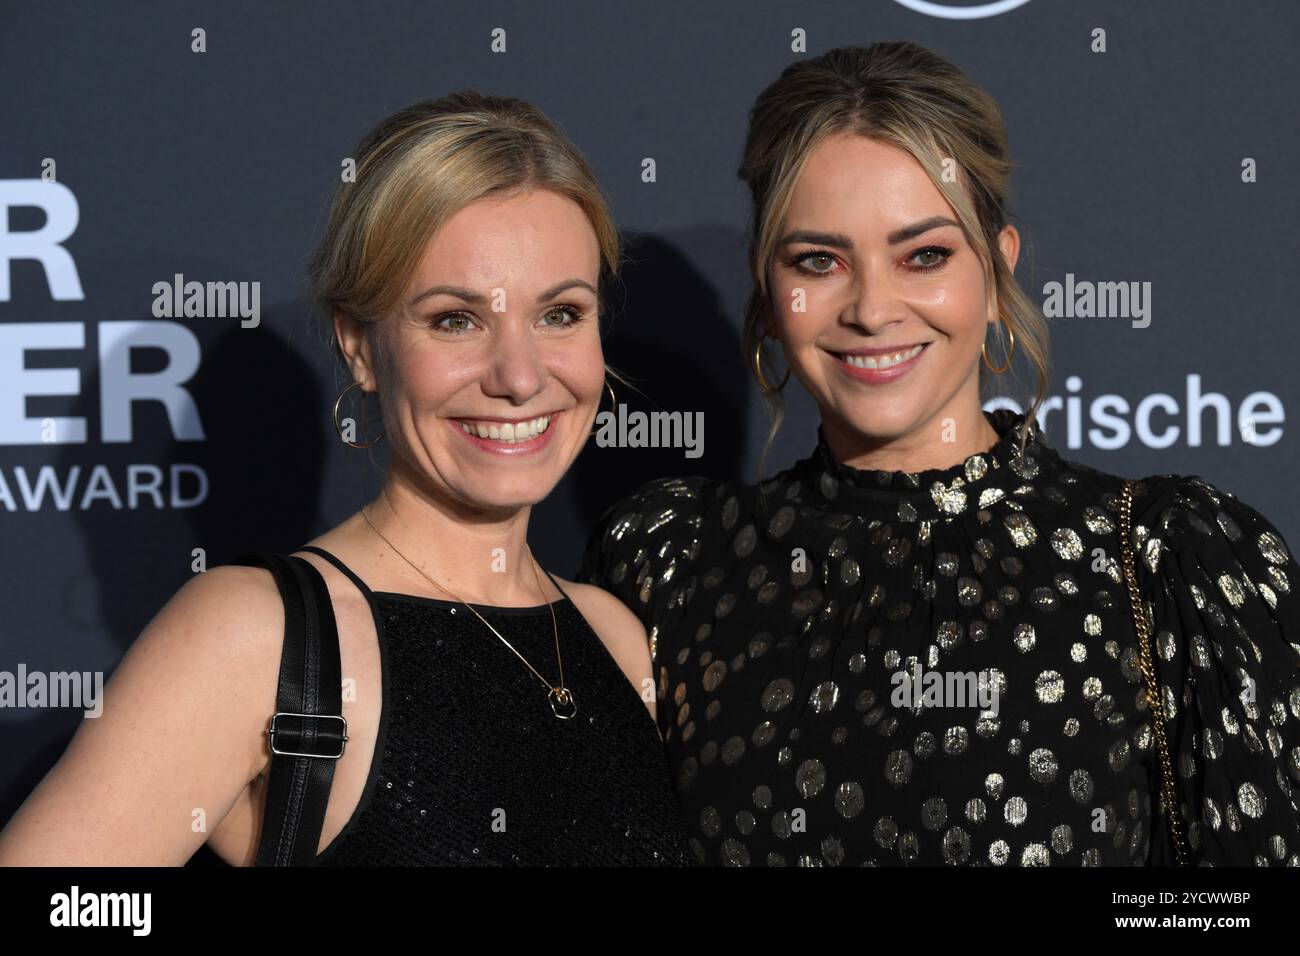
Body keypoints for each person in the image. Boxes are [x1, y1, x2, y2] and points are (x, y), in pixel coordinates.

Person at [577, 42, 1300, 866]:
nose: (873, 309)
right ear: (768, 290)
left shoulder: (1165, 559)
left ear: (996, 272)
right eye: (820, 261)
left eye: (924, 255)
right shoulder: (671, 561)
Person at [0, 92, 693, 866]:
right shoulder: (260, 634)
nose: (519, 378)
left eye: (560, 313)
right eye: (455, 319)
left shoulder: (617, 638)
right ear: (360, 345)